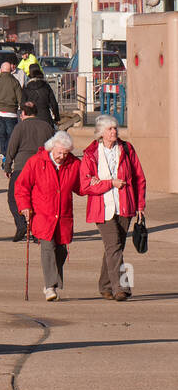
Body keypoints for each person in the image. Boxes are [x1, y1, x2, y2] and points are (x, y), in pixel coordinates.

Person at [79, 114, 146, 303]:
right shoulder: (91, 154)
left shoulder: (126, 149)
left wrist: (140, 204)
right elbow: (86, 186)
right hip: (102, 208)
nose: (114, 132)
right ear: (101, 133)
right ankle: (121, 288)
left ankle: (105, 286)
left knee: (114, 247)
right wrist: (110, 183)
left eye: (115, 128)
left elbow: (139, 178)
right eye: (110, 129)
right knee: (114, 246)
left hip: (125, 206)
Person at [15, 131, 84, 301]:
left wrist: (98, 184)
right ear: (51, 148)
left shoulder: (74, 164)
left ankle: (51, 282)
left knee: (61, 251)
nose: (62, 156)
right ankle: (50, 286)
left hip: (63, 216)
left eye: (65, 153)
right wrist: (24, 206)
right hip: (42, 215)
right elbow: (22, 186)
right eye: (59, 152)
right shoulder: (36, 162)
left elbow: (81, 187)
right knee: (48, 248)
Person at [3, 103, 54, 241]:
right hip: (42, 168)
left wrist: (7, 166)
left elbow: (11, 147)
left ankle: (21, 225)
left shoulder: (20, 127)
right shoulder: (47, 127)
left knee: (13, 197)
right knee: (38, 200)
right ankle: (37, 230)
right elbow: (54, 147)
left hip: (21, 167)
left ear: (24, 113)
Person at [0, 61, 23, 163]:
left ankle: (3, 153)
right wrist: (23, 112)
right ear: (10, 70)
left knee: (1, 135)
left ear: (1, 70)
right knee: (11, 136)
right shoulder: (15, 82)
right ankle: (10, 155)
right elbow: (21, 99)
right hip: (11, 113)